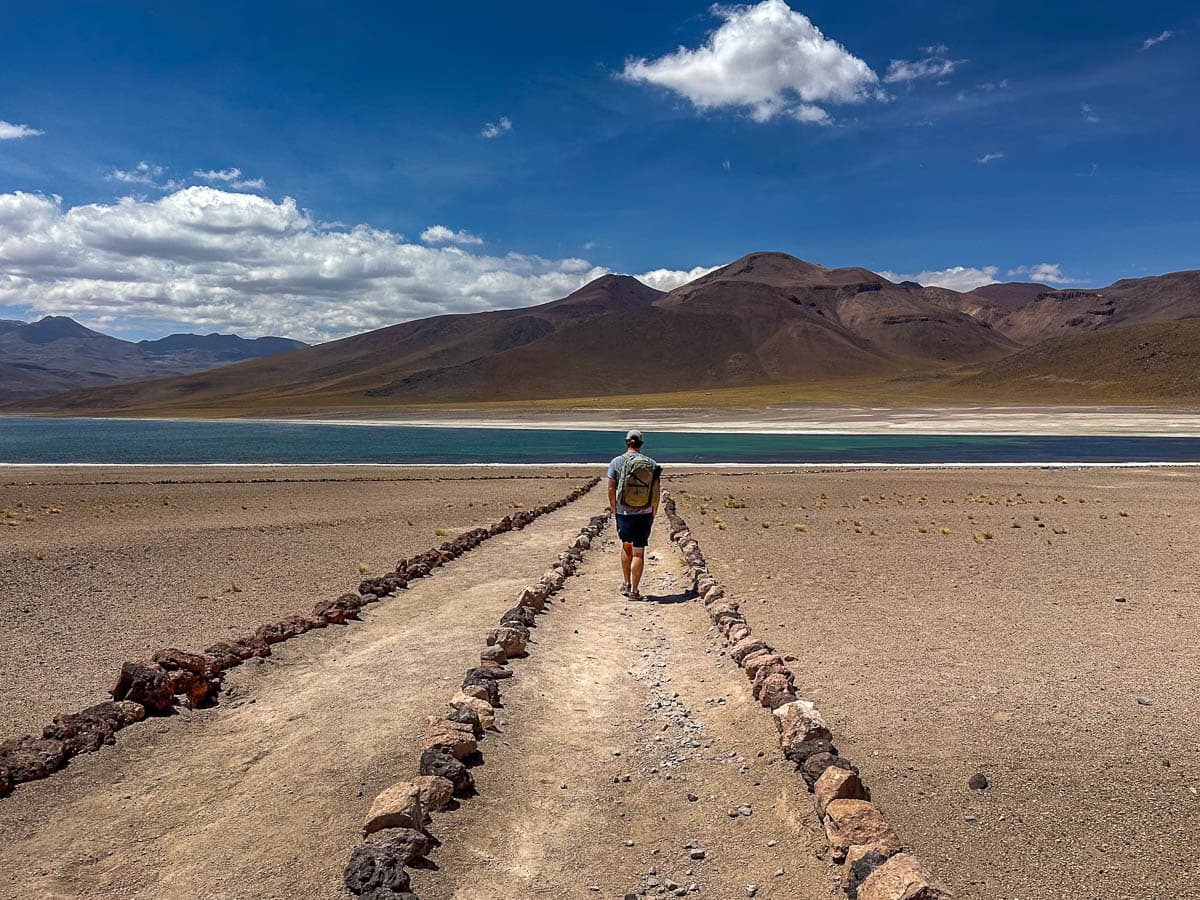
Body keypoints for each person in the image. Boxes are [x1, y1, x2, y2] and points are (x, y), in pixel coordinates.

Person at [607, 429, 662, 600]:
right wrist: (654, 510)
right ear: (641, 444)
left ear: (627, 442)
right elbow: (656, 490)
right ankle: (635, 591)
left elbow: (611, 488)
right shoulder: (651, 464)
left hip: (624, 512)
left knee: (626, 546)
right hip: (644, 513)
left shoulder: (616, 462)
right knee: (639, 551)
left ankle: (626, 583)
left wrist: (614, 508)